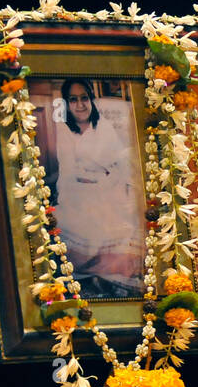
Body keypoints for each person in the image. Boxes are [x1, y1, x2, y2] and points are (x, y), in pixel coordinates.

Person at [48, 79, 141, 298]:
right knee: (77, 219)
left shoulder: (104, 127)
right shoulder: (64, 130)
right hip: (78, 191)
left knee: (127, 218)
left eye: (84, 98)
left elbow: (118, 165)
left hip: (109, 188)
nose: (80, 105)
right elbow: (69, 171)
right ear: (67, 104)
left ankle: (115, 277)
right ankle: (89, 274)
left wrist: (106, 182)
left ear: (91, 100)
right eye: (73, 100)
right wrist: (89, 183)